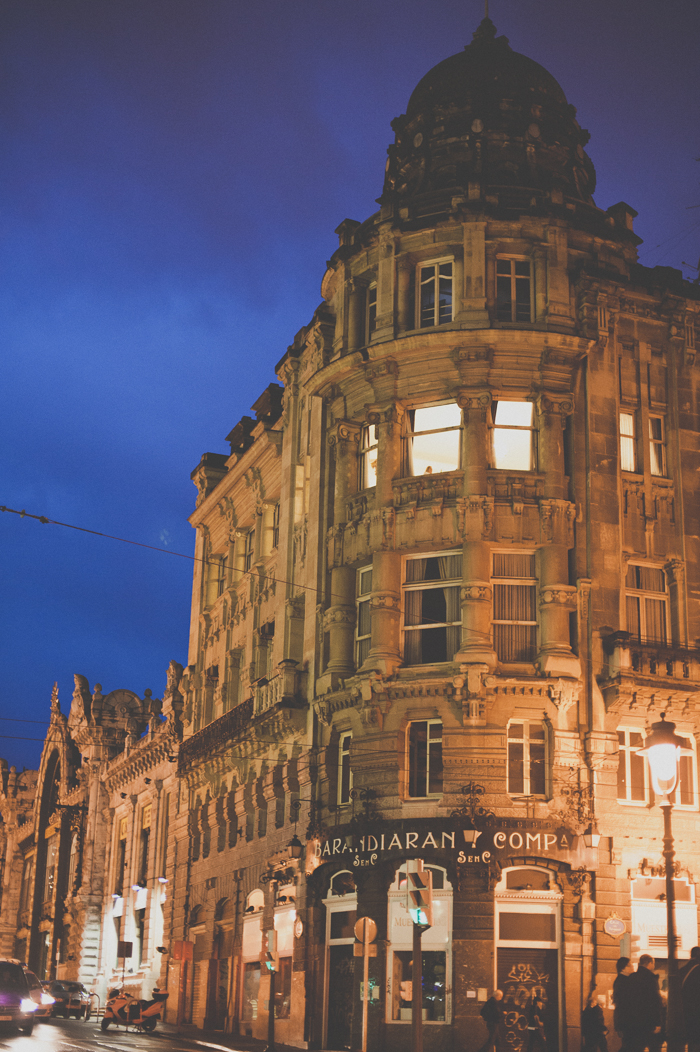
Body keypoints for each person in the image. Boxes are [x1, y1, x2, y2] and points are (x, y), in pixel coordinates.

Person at [626, 955, 662, 1052]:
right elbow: (655, 1001)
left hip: (634, 1021)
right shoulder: (651, 978)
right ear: (650, 964)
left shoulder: (632, 977)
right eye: (653, 963)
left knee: (637, 1047)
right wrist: (657, 1022)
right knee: (654, 1047)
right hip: (648, 1021)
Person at [680, 945, 700, 1052]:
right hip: (697, 1014)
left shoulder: (682, 970)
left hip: (685, 1014)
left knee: (691, 1043)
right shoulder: (697, 970)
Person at [612, 957, 634, 1050]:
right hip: (627, 1021)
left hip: (624, 1020)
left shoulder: (620, 980)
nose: (633, 967)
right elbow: (624, 1004)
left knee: (628, 1046)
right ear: (625, 967)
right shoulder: (624, 981)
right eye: (631, 965)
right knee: (629, 1046)